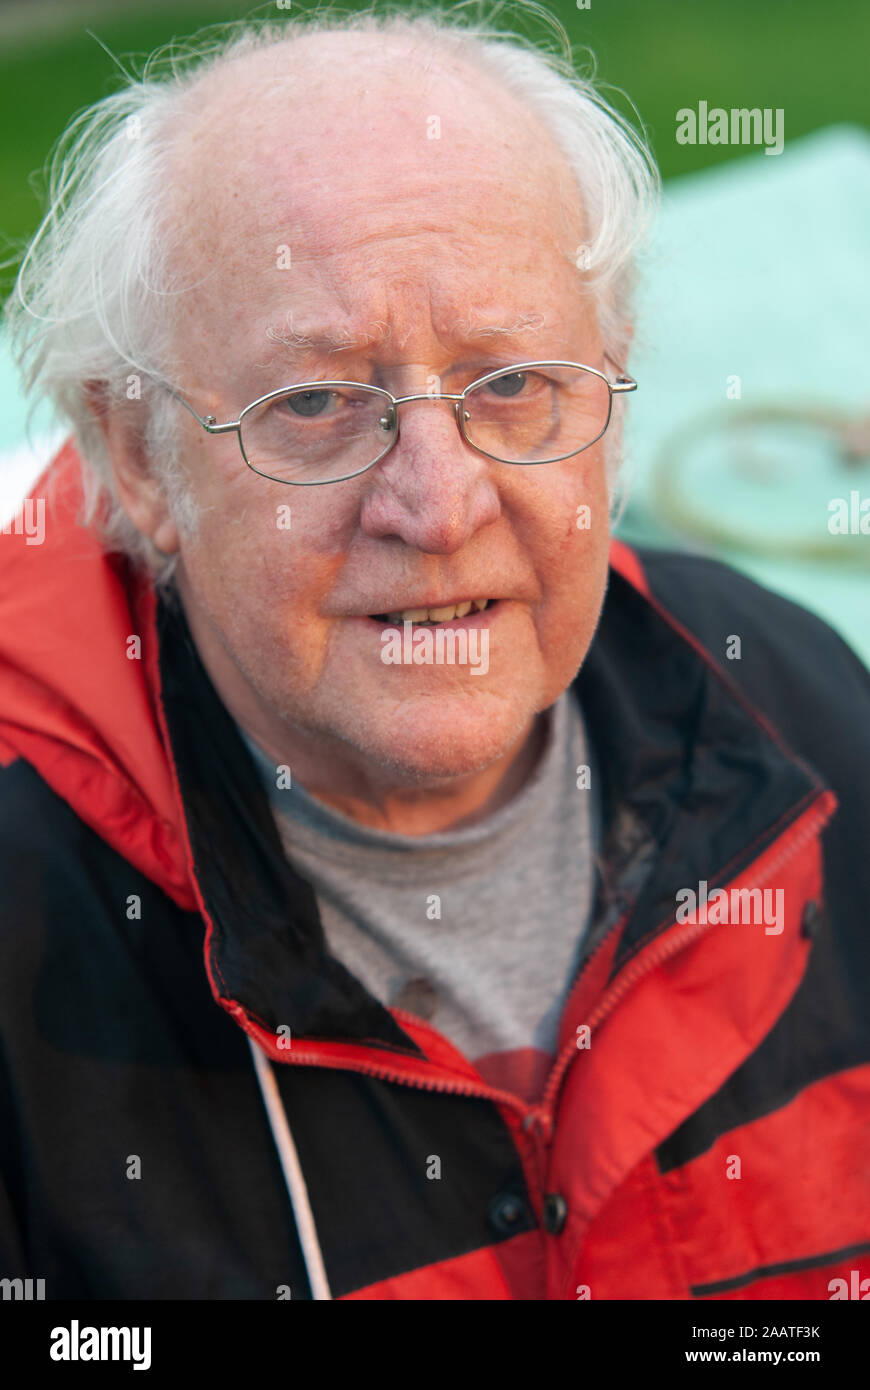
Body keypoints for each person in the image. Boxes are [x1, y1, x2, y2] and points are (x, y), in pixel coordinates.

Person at [1, 6, 868, 1302]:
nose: (439, 500)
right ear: (139, 456)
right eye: (314, 402)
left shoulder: (796, 706)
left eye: (513, 382)